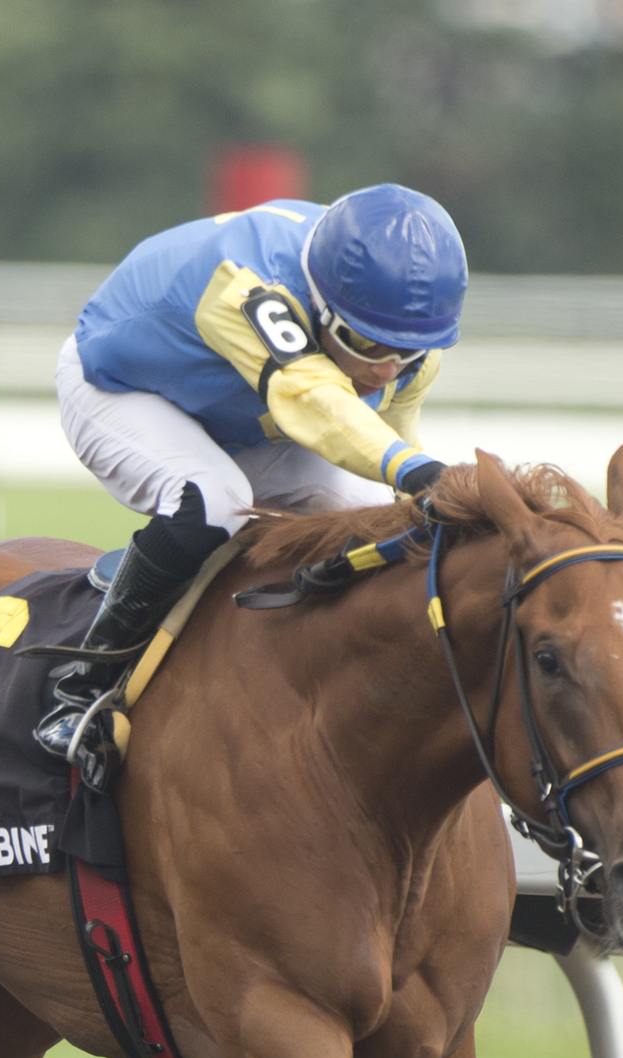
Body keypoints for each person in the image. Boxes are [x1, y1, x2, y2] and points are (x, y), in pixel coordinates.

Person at [36, 184, 467, 763]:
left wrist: (416, 499)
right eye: (364, 344)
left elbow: (391, 431)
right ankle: (83, 685)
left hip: (249, 414)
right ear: (321, 305)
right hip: (120, 386)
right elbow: (310, 399)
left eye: (405, 353)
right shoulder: (243, 286)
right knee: (215, 498)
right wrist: (422, 473)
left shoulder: (409, 335)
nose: (385, 368)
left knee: (374, 523)